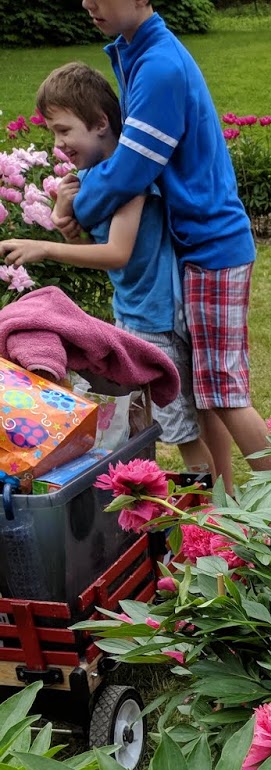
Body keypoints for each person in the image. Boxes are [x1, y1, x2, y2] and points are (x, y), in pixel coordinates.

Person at [53, 0, 271, 498]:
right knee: (207, 393)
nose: (88, 2)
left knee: (223, 391)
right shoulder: (139, 53)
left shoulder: (158, 65)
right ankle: (224, 505)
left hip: (211, 246)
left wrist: (74, 209)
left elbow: (132, 173)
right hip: (196, 246)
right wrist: (75, 199)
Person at [0, 63, 213, 477]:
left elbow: (116, 253)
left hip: (158, 316)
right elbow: (92, 251)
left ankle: (206, 516)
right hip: (133, 312)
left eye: (64, 130)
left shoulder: (129, 181)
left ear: (100, 124)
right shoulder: (91, 178)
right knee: (147, 426)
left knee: (182, 432)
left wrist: (45, 248)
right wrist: (64, 218)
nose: (58, 143)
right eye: (52, 133)